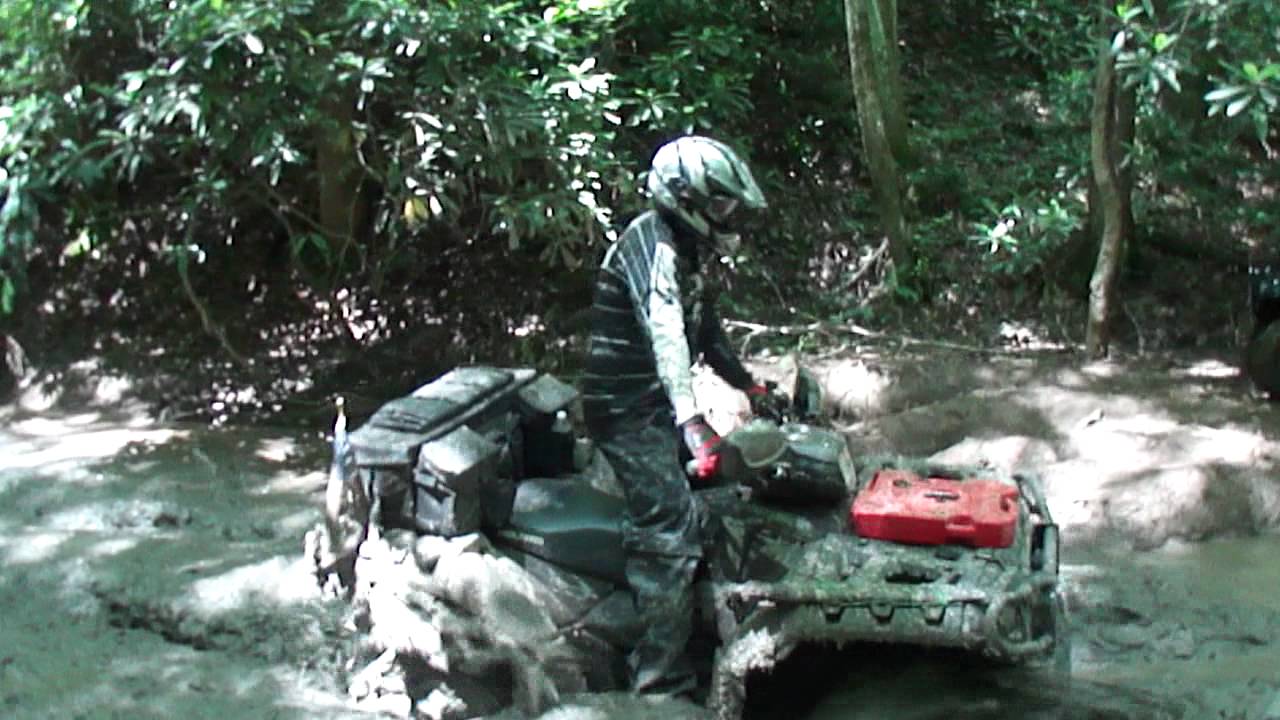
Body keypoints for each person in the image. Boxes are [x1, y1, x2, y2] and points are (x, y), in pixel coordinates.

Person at [580, 135, 780, 695]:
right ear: (683, 198)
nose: (728, 215)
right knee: (668, 527)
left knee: (718, 498)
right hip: (625, 412)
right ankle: (659, 682)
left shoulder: (688, 250)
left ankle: (704, 626)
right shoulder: (653, 246)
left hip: (657, 402)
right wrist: (691, 422)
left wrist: (748, 384)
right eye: (720, 205)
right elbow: (667, 332)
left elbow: (704, 331)